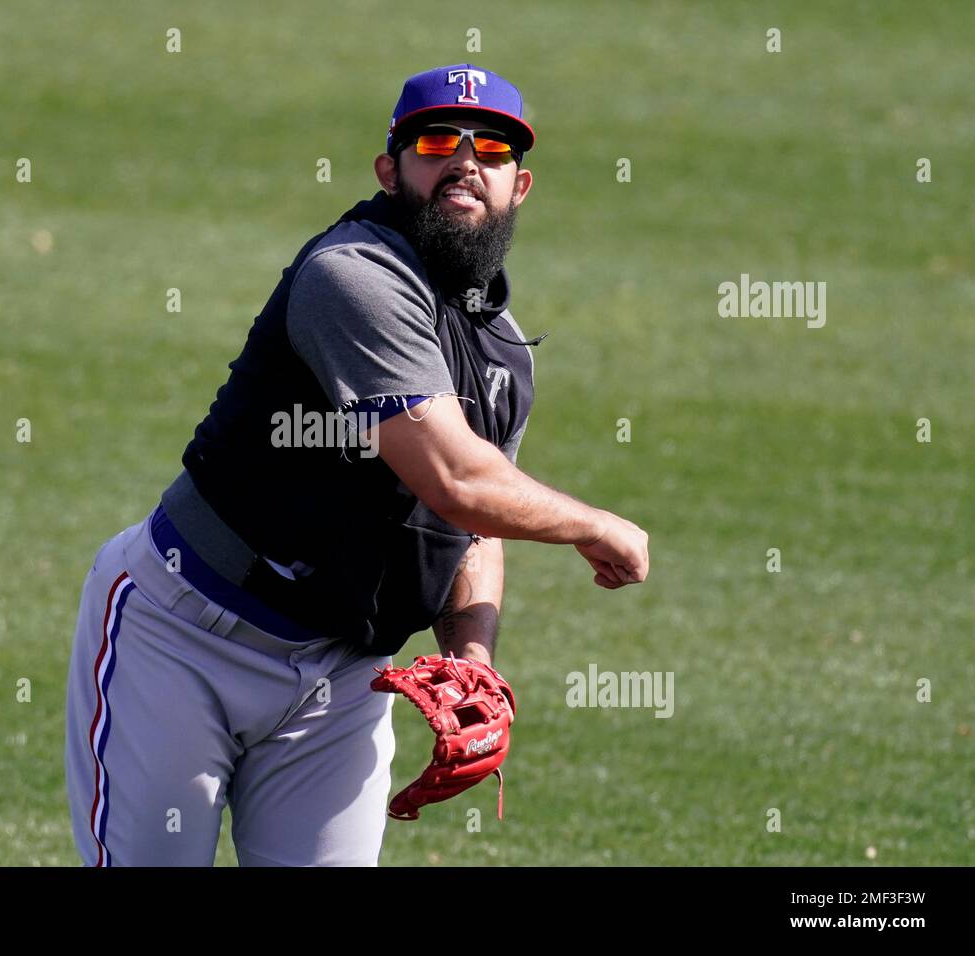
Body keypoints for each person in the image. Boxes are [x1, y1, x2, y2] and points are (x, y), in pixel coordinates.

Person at [65, 63, 649, 867]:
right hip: (183, 638)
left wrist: (471, 658)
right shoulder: (353, 278)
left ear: (521, 186)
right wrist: (594, 523)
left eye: (495, 147)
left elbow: (471, 523)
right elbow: (457, 479)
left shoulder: (503, 349)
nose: (466, 160)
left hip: (343, 681)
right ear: (391, 169)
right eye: (438, 140)